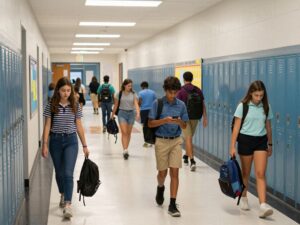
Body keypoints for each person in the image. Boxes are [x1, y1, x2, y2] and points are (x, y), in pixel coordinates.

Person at [41, 77, 90, 219]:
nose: (66, 93)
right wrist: (44, 144)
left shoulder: (75, 104)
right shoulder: (51, 104)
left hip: (71, 141)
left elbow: (79, 125)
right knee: (59, 172)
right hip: (55, 141)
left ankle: (68, 204)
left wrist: (85, 145)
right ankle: (62, 193)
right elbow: (47, 125)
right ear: (58, 90)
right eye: (63, 90)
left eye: (69, 90)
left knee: (68, 173)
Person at [230, 80, 273, 218]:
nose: (259, 98)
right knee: (246, 173)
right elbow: (236, 128)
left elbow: (268, 127)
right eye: (256, 95)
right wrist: (232, 146)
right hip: (245, 140)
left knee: (260, 173)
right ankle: (244, 197)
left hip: (261, 141)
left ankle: (262, 205)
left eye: (261, 95)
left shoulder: (266, 107)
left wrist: (270, 144)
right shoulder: (242, 106)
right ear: (251, 93)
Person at [148, 76, 188, 217]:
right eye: (170, 92)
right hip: (161, 141)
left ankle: (172, 204)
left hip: (176, 141)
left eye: (175, 93)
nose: (172, 95)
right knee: (162, 173)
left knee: (175, 173)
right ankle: (160, 187)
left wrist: (179, 123)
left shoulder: (181, 105)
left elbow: (185, 125)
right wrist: (164, 120)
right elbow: (150, 123)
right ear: (165, 90)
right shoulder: (157, 103)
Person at [176, 71, 207, 171]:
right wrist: (205, 117)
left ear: (184, 79)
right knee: (189, 138)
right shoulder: (198, 90)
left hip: (184, 118)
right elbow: (202, 104)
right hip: (195, 117)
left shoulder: (180, 91)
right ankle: (187, 157)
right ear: (192, 78)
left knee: (188, 138)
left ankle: (192, 161)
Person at [111, 79, 140, 160]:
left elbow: (136, 104)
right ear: (124, 85)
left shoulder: (133, 94)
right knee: (124, 132)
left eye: (131, 86)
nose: (130, 87)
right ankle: (125, 150)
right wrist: (112, 114)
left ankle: (126, 148)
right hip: (122, 113)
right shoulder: (119, 94)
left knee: (128, 132)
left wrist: (138, 113)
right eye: (128, 86)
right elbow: (116, 105)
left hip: (131, 114)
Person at [138, 81, 157, 147]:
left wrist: (139, 106)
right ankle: (152, 140)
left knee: (145, 126)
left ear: (142, 87)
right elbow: (155, 101)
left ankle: (146, 141)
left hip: (144, 111)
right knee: (152, 125)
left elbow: (139, 102)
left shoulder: (140, 93)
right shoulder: (153, 92)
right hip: (152, 110)